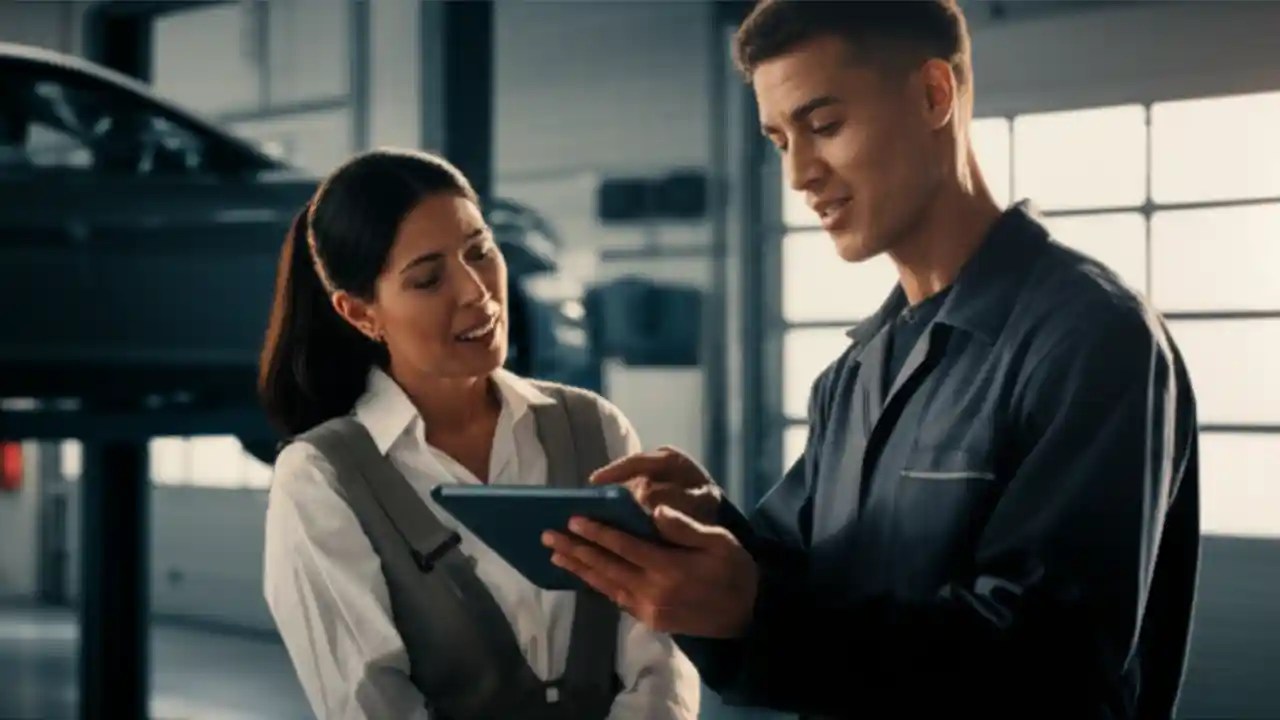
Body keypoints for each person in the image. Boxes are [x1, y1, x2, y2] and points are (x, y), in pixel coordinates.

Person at [543, 2, 1200, 718]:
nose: (799, 173)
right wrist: (711, 527)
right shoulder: (857, 371)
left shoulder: (1089, 336)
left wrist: (754, 611)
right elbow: (803, 582)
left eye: (824, 126)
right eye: (778, 139)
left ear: (932, 95)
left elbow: (1051, 667)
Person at [257, 148, 700, 720]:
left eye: (480, 251)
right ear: (360, 313)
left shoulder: (592, 427)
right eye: (428, 278)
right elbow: (370, 703)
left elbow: (658, 651)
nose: (476, 291)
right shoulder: (323, 477)